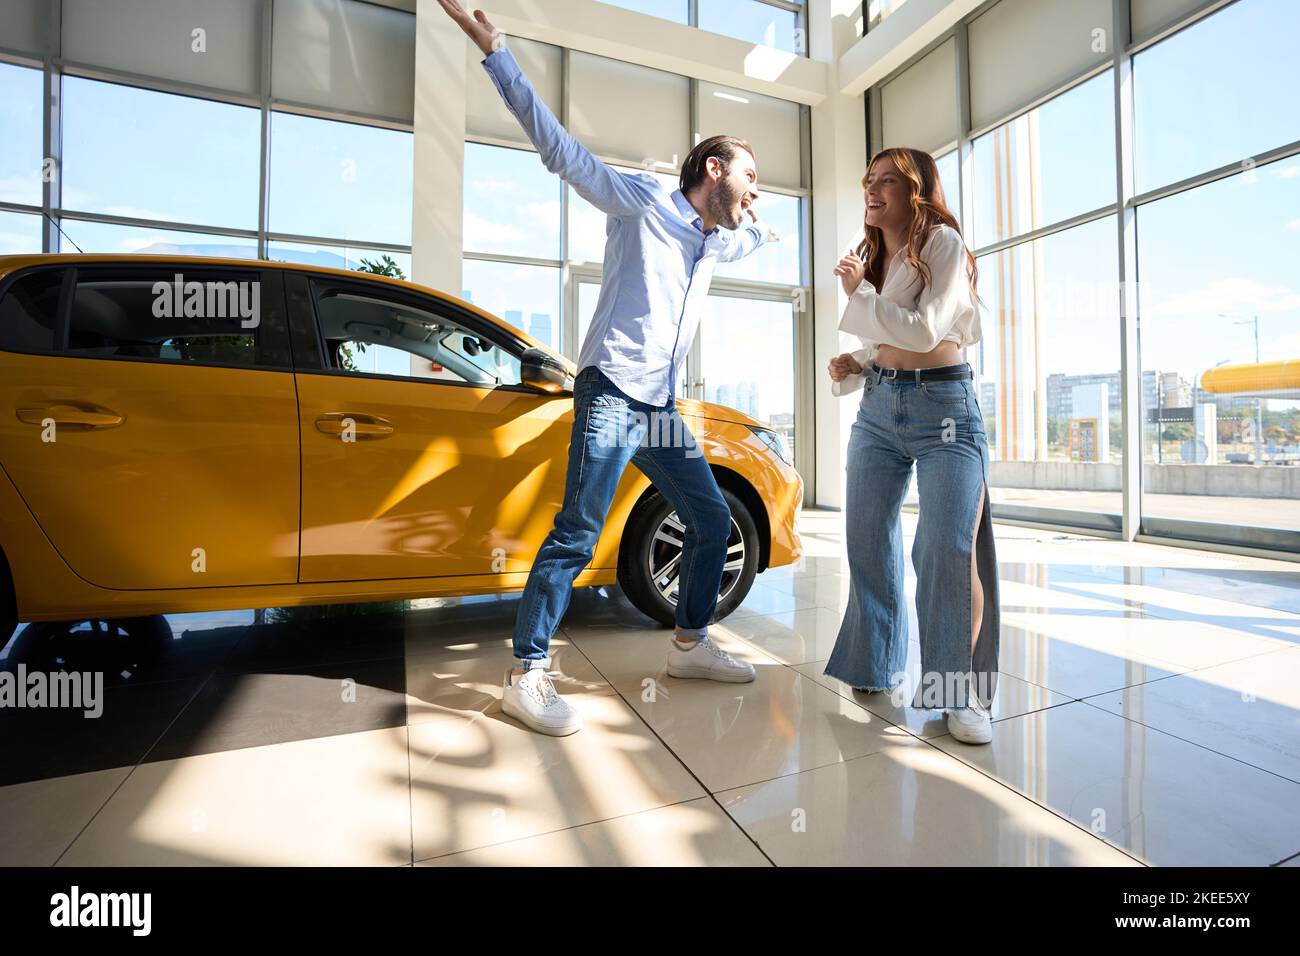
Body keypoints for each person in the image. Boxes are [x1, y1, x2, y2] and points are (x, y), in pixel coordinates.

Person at [437, 1, 777, 736]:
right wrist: (497, 53)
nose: (751, 190)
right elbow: (563, 154)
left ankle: (689, 643)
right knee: (579, 530)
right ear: (711, 169)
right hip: (611, 392)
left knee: (712, 517)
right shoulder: (642, 200)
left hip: (659, 404)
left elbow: (755, 239)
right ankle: (525, 674)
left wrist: (761, 219)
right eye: (747, 176)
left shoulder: (719, 240)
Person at [824, 146, 999, 745]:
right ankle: (874, 664)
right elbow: (891, 338)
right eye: (868, 179)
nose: (872, 190)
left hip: (944, 408)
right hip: (880, 408)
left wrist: (857, 298)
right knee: (868, 539)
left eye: (888, 181)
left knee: (943, 549)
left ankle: (955, 691)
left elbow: (926, 332)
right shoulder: (881, 256)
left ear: (917, 189)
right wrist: (860, 359)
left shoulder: (943, 245)